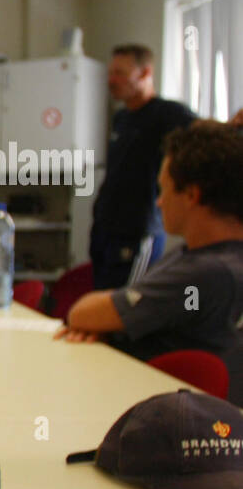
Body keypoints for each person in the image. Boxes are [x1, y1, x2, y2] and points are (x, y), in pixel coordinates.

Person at [58, 120, 243, 404]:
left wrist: (108, 325)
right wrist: (112, 327)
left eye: (164, 190)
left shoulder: (204, 272)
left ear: (192, 195)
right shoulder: (209, 257)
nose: (158, 202)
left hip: (159, 410)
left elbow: (84, 313)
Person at [89, 44, 196, 290]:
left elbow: (210, 136)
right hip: (105, 229)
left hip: (137, 230)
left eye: (120, 73)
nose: (112, 80)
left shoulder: (168, 114)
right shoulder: (122, 118)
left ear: (145, 73)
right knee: (99, 300)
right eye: (110, 73)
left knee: (120, 308)